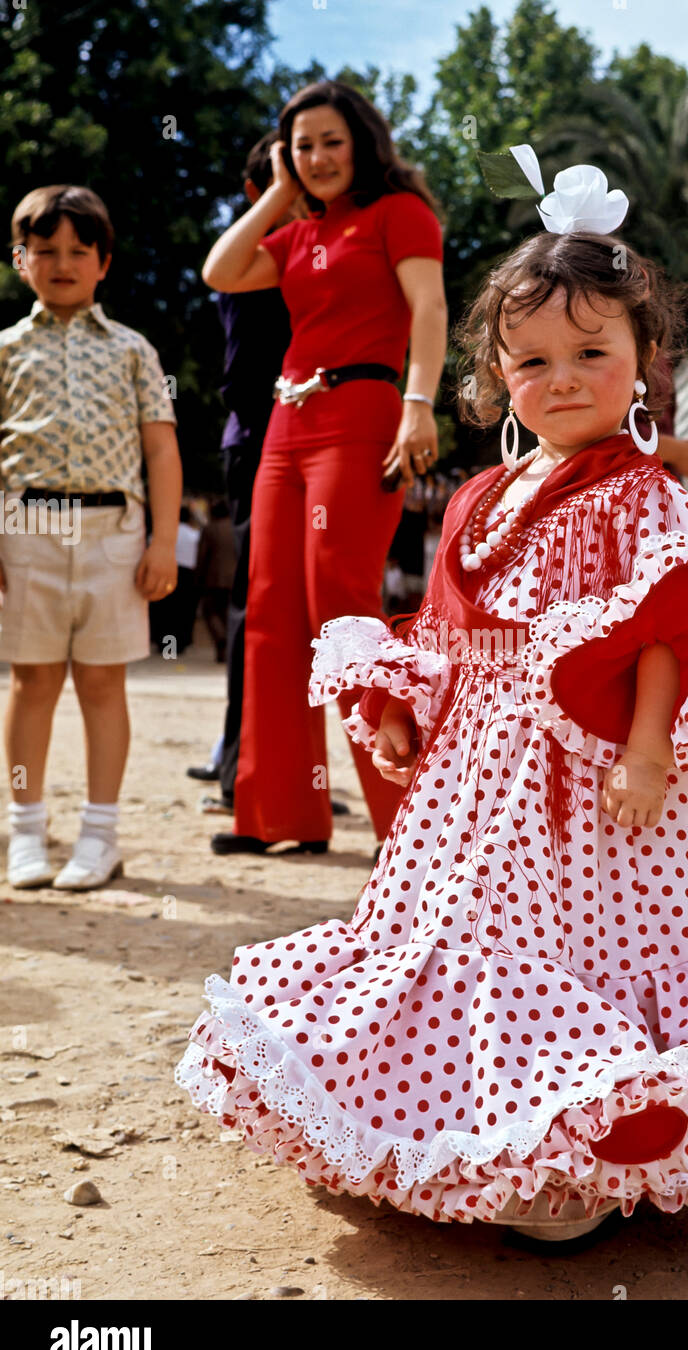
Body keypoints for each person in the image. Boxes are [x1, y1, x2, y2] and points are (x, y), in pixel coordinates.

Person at [175, 149, 688, 1247]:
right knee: (468, 929)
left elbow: (674, 619)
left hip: (599, 777)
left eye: (592, 351)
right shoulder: (480, 493)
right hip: (473, 781)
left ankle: (605, 1123)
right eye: (532, 360)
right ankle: (490, 1118)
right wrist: (399, 709)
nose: (564, 377)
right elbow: (441, 627)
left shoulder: (638, 488)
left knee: (601, 940)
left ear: (642, 358)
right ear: (493, 372)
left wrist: (642, 746)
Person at [202, 80, 447, 856]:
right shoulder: (299, 234)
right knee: (270, 612)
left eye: (330, 141)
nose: (318, 157)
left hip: (366, 413)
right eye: (301, 145)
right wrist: (279, 190)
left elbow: (432, 309)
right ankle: (278, 817)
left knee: (340, 605)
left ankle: (405, 818)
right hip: (285, 421)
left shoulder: (399, 213)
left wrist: (418, 403)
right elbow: (220, 270)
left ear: (362, 141)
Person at [0, 185, 181, 890]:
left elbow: (161, 450)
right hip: (25, 529)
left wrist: (162, 540)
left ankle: (100, 834)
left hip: (113, 532)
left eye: (80, 250)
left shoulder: (135, 350)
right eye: (45, 250)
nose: (62, 263)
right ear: (20, 260)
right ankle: (25, 830)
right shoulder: (7, 351)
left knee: (103, 684)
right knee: (31, 679)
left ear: (104, 262)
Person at [186, 132, 298, 795]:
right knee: (257, 604)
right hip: (260, 439)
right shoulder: (254, 258)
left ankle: (271, 763)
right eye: (290, 181)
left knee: (299, 611)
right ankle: (238, 761)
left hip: (305, 439)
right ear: (258, 191)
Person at [195, 498, 236, 663]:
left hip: (213, 579)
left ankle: (221, 638)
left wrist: (197, 578)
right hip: (235, 579)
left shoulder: (209, 529)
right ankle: (228, 645)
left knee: (211, 612)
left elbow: (202, 556)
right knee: (229, 614)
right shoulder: (236, 528)